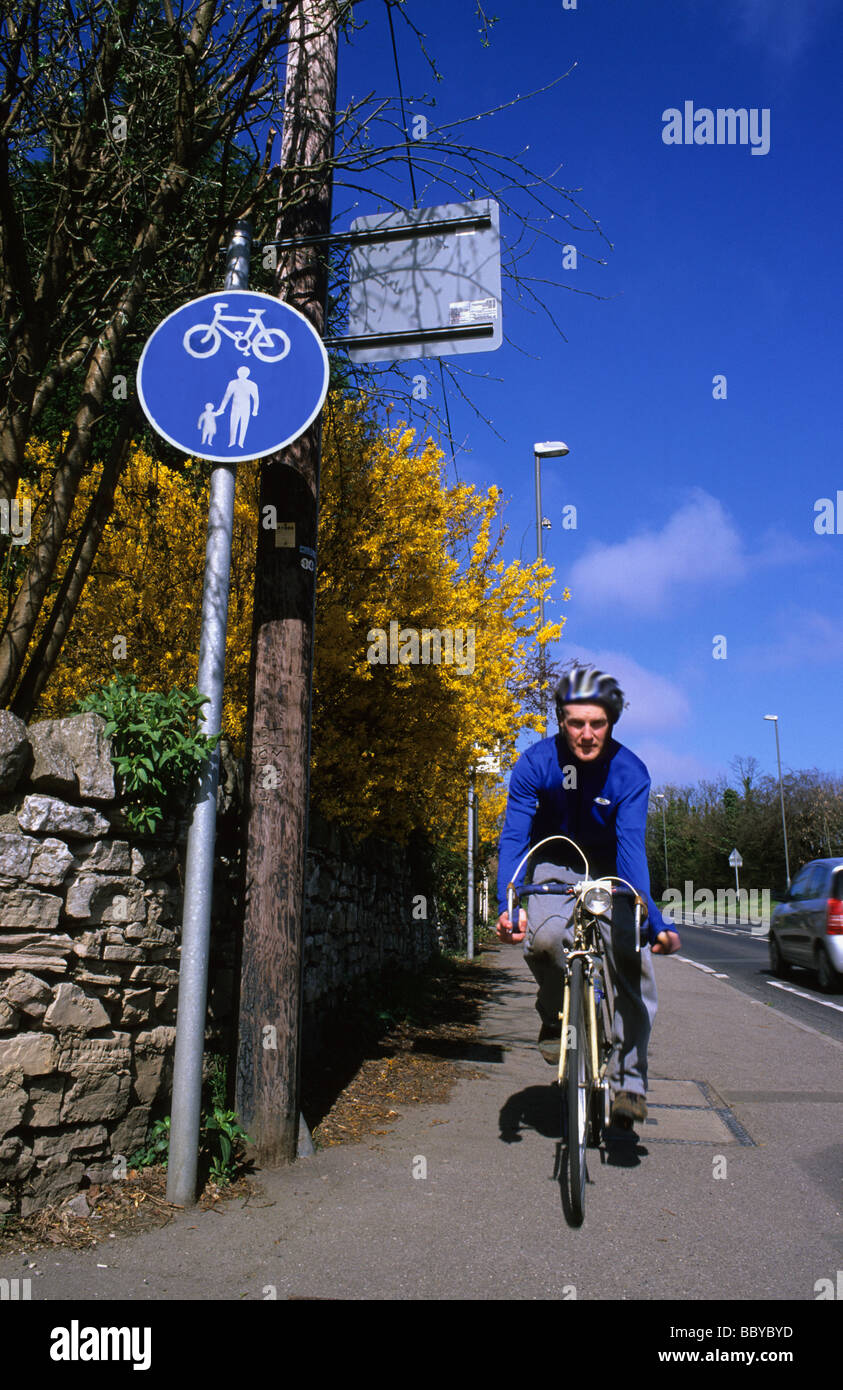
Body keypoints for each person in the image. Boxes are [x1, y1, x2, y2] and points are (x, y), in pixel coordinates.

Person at [496, 664, 680, 1125]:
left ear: (611, 723)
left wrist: (653, 919)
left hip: (611, 867)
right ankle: (555, 1014)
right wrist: (509, 905)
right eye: (576, 723)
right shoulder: (535, 764)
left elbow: (632, 849)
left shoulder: (630, 773)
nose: (586, 734)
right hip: (552, 860)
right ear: (561, 721)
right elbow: (514, 840)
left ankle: (631, 1081)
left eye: (597, 723)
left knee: (631, 966)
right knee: (545, 941)